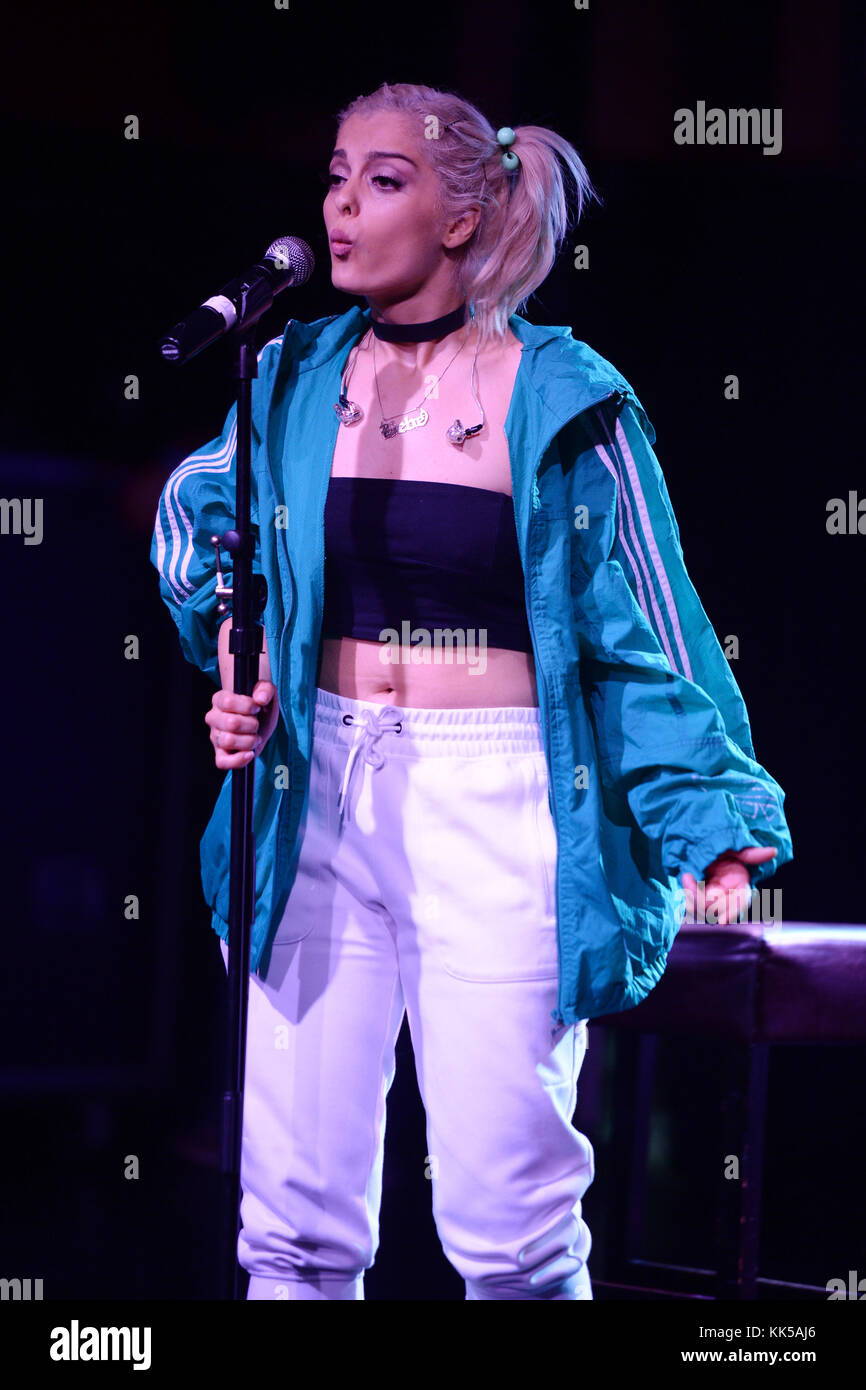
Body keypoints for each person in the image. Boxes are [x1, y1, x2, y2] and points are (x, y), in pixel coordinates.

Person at [150, 82, 792, 1301]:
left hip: (497, 803)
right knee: (289, 1225)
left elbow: (644, 634)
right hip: (318, 790)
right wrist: (244, 652)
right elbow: (201, 522)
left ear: (459, 216)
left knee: (505, 1227)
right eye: (334, 174)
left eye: (381, 181)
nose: (339, 206)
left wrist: (711, 823)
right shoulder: (289, 373)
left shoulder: (558, 396)